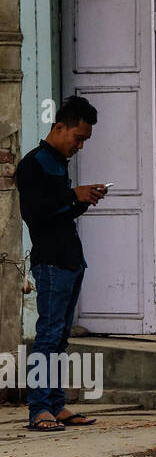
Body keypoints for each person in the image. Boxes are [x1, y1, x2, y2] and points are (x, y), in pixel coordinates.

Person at [15, 96, 105, 432]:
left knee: (60, 337)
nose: (79, 145)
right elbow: (35, 213)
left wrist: (83, 199)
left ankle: (56, 403)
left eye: (84, 141)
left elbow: (60, 211)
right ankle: (39, 408)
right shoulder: (34, 163)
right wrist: (73, 196)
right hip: (51, 262)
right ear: (59, 127)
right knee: (48, 336)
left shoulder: (57, 163)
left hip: (69, 259)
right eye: (78, 137)